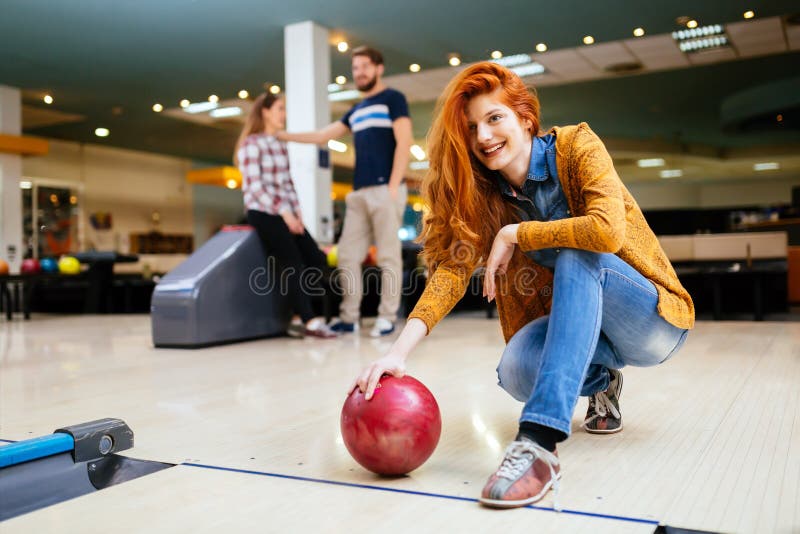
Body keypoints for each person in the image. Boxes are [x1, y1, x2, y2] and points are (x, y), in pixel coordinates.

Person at [349, 62, 694, 508]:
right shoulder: (487, 198)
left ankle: (538, 444)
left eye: (495, 119)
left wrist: (516, 234)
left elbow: (607, 231)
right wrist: (398, 351)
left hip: (650, 322)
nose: (484, 137)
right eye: (473, 128)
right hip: (587, 330)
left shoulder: (576, 146)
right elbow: (452, 273)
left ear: (525, 117)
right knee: (515, 369)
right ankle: (602, 380)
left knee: (578, 248)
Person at [278, 46, 412, 338]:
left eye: (365, 66)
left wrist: (392, 187)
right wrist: (281, 135)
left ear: (379, 68)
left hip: (385, 190)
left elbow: (404, 142)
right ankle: (349, 318)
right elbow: (321, 136)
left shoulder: (393, 99)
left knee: (388, 257)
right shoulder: (357, 110)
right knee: (348, 255)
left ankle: (387, 318)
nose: (359, 72)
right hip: (358, 194)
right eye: (355, 68)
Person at [234, 93, 337, 339]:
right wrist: (284, 213)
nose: (284, 114)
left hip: (287, 212)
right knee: (293, 263)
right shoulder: (251, 144)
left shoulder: (280, 144)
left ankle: (294, 315)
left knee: (315, 257)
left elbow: (288, 183)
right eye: (280, 109)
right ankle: (309, 321)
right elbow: (255, 186)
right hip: (263, 212)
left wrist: (298, 214)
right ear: (265, 112)